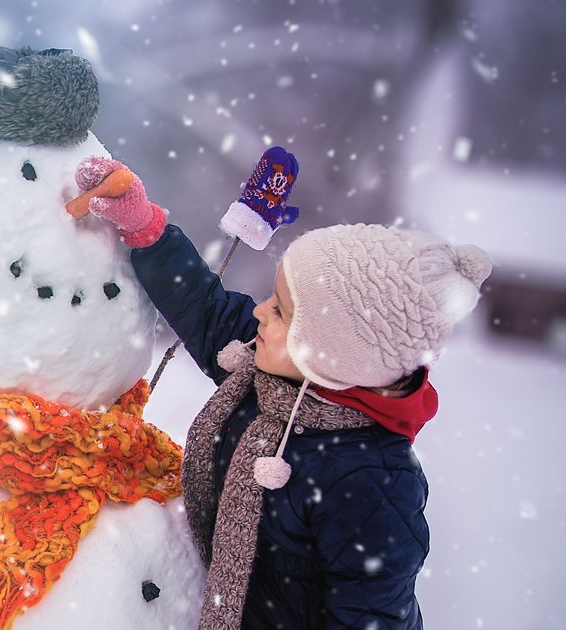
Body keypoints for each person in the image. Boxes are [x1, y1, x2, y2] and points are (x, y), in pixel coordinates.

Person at [75, 149, 492, 629]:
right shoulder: (268, 369)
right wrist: (146, 228)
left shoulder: (372, 483)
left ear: (333, 355)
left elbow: (369, 618)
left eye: (280, 311)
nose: (259, 312)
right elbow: (204, 309)